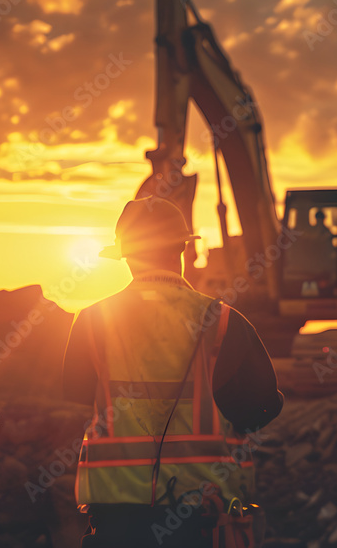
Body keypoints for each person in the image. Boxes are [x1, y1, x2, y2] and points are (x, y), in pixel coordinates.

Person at [63, 196, 284, 548]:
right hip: (204, 518)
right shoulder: (225, 321)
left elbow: (75, 392)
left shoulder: (91, 322)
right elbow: (261, 408)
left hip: (116, 519)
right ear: (182, 248)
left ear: (126, 256)